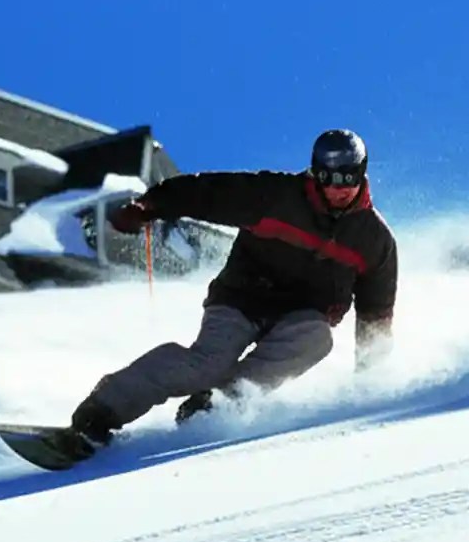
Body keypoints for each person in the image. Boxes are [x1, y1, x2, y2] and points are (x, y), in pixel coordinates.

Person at [66, 129, 397, 447]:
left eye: (348, 178)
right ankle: (100, 413)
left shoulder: (374, 241)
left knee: (317, 339)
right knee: (207, 364)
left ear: (362, 173)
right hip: (242, 300)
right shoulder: (275, 196)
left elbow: (375, 317)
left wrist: (369, 387)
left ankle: (214, 405)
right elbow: (209, 192)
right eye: (327, 178)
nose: (338, 188)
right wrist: (151, 206)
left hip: (298, 317)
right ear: (315, 172)